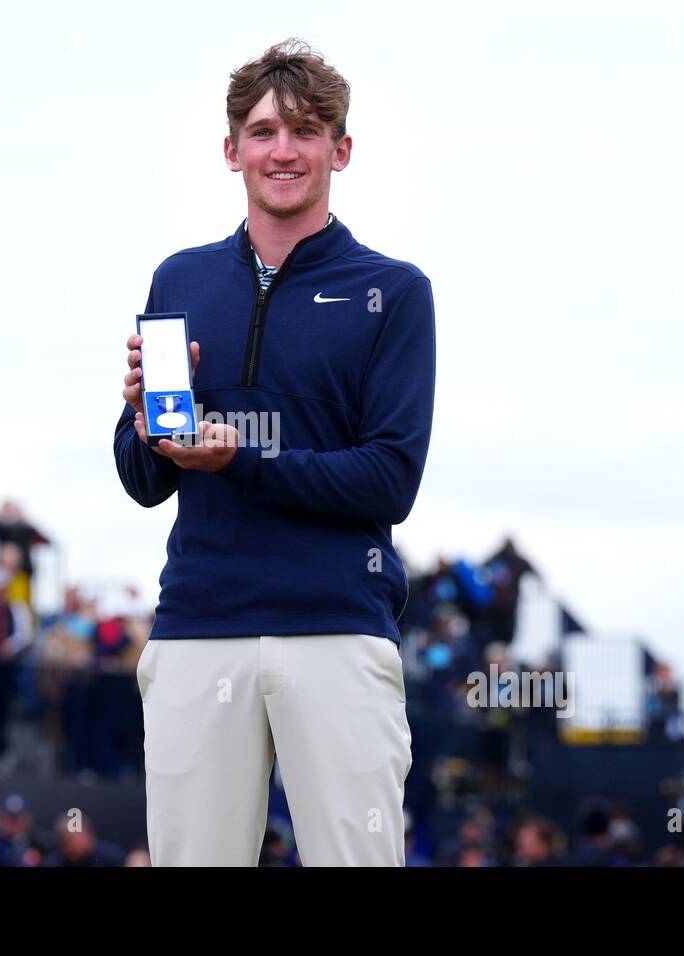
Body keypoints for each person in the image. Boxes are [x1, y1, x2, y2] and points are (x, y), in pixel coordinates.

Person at [113, 39, 435, 866]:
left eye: (305, 130)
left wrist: (239, 463)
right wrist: (145, 425)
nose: (282, 150)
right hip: (197, 626)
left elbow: (389, 479)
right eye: (262, 132)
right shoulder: (179, 279)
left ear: (341, 148)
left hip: (335, 627)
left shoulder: (394, 292)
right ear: (231, 151)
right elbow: (143, 479)